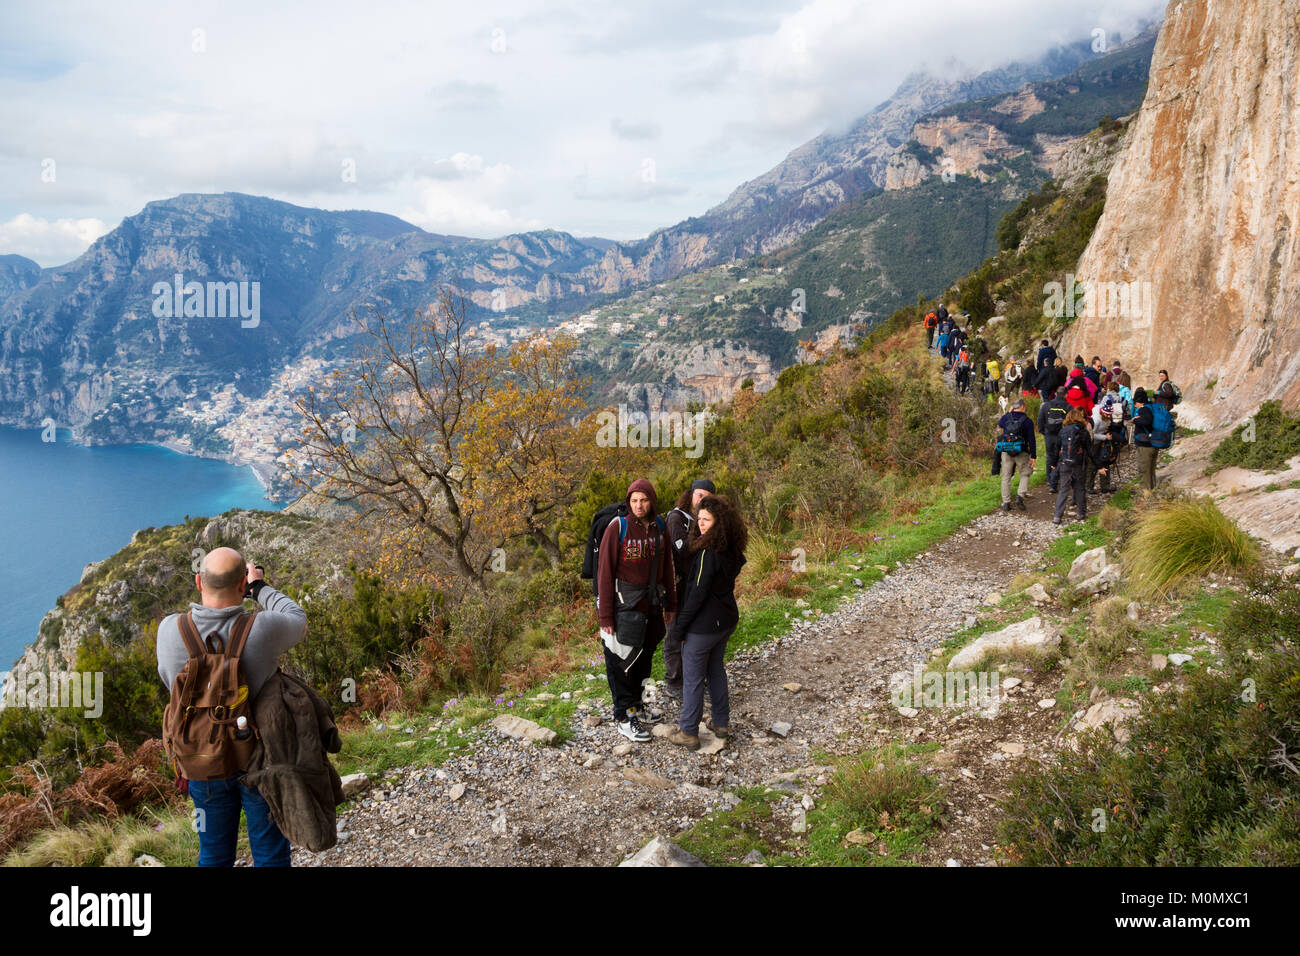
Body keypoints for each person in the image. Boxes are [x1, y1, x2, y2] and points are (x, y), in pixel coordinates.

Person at [156, 548, 307, 867]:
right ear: (242, 587)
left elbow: (171, 684)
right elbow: (297, 618)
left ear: (199, 582)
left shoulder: (170, 630)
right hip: (259, 759)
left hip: (201, 762)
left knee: (213, 852)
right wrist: (260, 587)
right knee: (270, 851)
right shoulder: (262, 628)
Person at [597, 478, 678, 742]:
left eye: (643, 500)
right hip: (624, 607)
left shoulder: (660, 526)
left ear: (651, 501)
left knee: (643, 659)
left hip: (652, 605)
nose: (638, 505)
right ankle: (623, 716)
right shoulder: (617, 527)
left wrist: (671, 603)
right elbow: (605, 573)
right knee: (621, 661)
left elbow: (667, 567)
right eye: (634, 501)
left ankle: (639, 707)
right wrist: (605, 615)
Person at [664, 495, 747, 750]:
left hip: (704, 626)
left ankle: (689, 731)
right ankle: (721, 723)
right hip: (726, 621)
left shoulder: (708, 554)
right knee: (715, 670)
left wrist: (679, 629)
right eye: (698, 519)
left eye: (706, 520)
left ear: (718, 522)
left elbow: (697, 593)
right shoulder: (731, 547)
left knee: (693, 678)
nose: (700, 524)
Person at [662, 479, 715, 699]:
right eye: (699, 495)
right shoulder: (676, 517)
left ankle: (692, 679)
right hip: (676, 585)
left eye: (707, 497)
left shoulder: (699, 519)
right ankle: (674, 681)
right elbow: (681, 550)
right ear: (690, 495)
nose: (702, 500)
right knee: (675, 633)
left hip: (695, 585)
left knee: (693, 633)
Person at [1054, 409, 1106, 524]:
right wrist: (1099, 466)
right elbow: (1090, 451)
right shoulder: (1083, 432)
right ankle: (1080, 514)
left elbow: (1056, 448)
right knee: (1079, 488)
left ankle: (1057, 516)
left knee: (1063, 489)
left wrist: (1053, 463)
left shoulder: (1062, 431)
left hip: (1064, 463)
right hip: (1078, 464)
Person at [997, 398, 1037, 512]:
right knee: (1025, 474)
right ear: (1023, 406)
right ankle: (1020, 496)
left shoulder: (1006, 417)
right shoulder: (1027, 421)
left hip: (1006, 451)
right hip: (1022, 452)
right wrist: (1033, 456)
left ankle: (1006, 503)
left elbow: (1000, 424)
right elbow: (1031, 440)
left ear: (1013, 407)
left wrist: (1008, 413)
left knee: (1006, 477)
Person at [1037, 387, 1071, 494]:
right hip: (1062, 436)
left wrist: (1044, 432)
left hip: (1049, 435)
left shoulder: (1046, 405)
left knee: (1050, 457)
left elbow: (1040, 420)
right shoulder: (1068, 407)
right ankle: (1058, 479)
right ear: (1066, 395)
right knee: (1061, 457)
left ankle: (1050, 479)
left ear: (1056, 393)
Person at [1131, 388, 1162, 491]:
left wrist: (1136, 420)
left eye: (1135, 402)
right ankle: (1152, 489)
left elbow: (1147, 421)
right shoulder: (1152, 407)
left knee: (1144, 469)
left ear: (1140, 402)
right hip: (1154, 442)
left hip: (1145, 445)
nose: (1134, 405)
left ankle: (1146, 494)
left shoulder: (1144, 409)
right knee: (1151, 469)